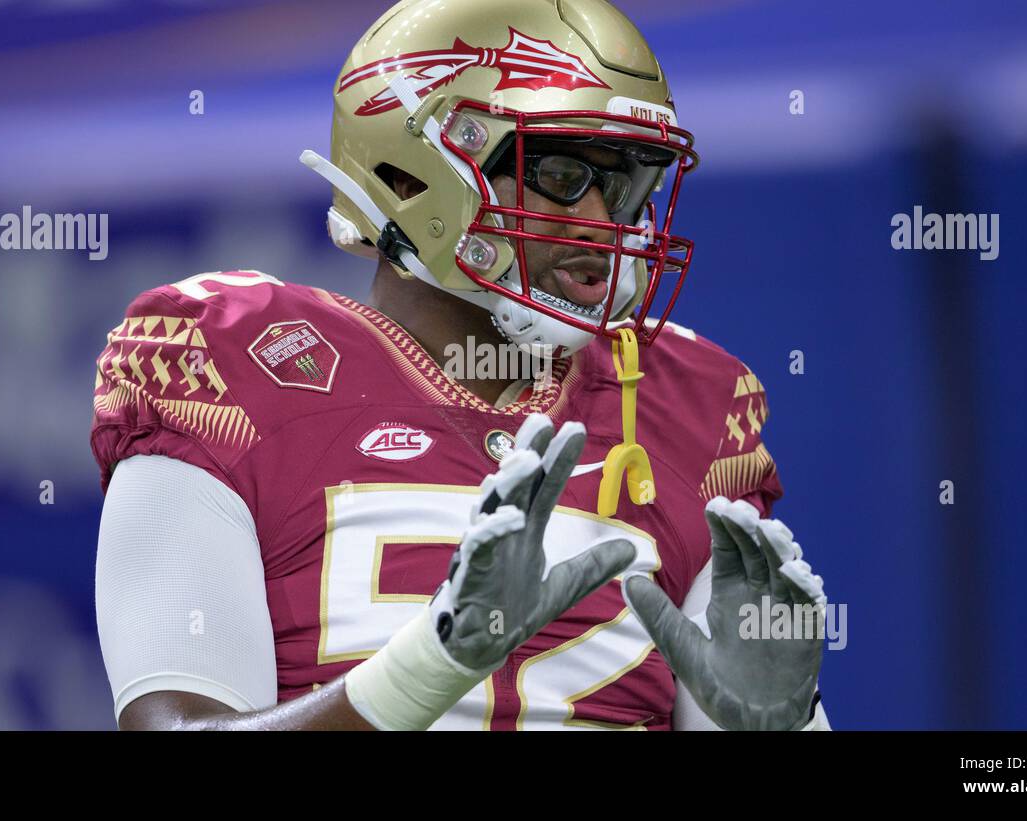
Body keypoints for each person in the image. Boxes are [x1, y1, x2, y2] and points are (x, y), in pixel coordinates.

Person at [92, 0, 830, 731]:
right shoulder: (231, 370)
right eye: (566, 173)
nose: (606, 225)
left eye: (626, 183)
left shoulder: (682, 407)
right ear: (414, 174)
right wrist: (432, 666)